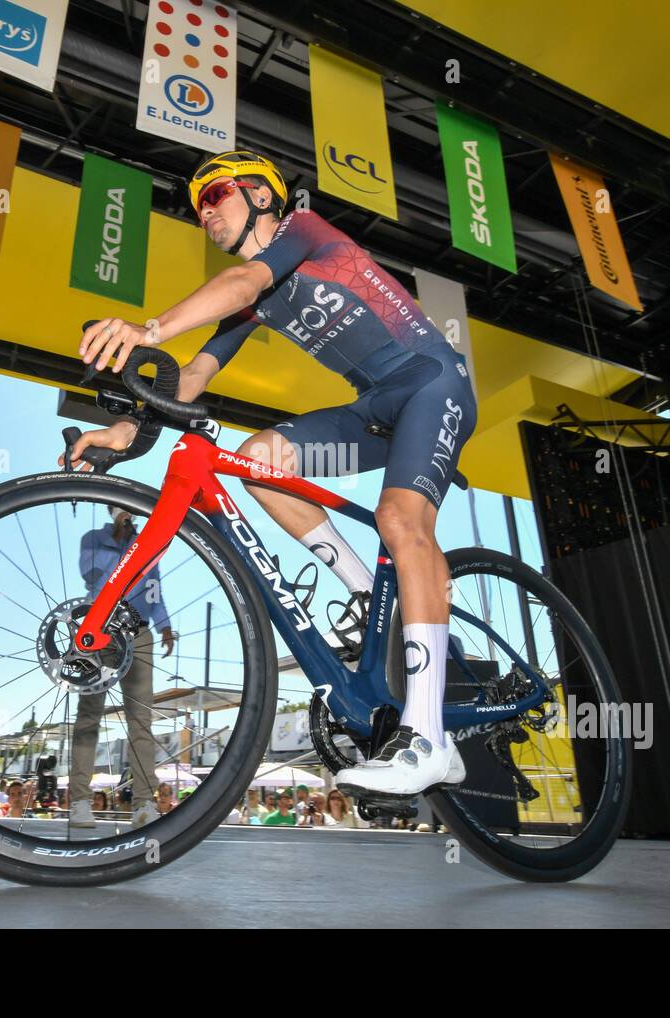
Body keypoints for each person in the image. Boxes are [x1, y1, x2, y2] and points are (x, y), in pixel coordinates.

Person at [70, 150, 474, 799]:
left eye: (217, 193)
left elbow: (243, 284)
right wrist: (122, 435)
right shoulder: (251, 297)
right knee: (258, 460)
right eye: (196, 203)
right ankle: (369, 588)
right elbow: (189, 378)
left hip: (432, 384)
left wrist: (148, 326)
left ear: (262, 195)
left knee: (401, 519)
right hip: (374, 409)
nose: (204, 211)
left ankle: (428, 737)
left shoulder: (307, 234)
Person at [70, 504, 177, 831]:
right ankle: (79, 802)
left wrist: (165, 626)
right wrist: (120, 542)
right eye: (120, 511)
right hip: (101, 625)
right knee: (90, 713)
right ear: (112, 509)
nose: (127, 516)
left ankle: (144, 802)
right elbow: (89, 574)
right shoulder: (94, 538)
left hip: (139, 630)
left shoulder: (147, 542)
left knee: (141, 718)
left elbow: (154, 589)